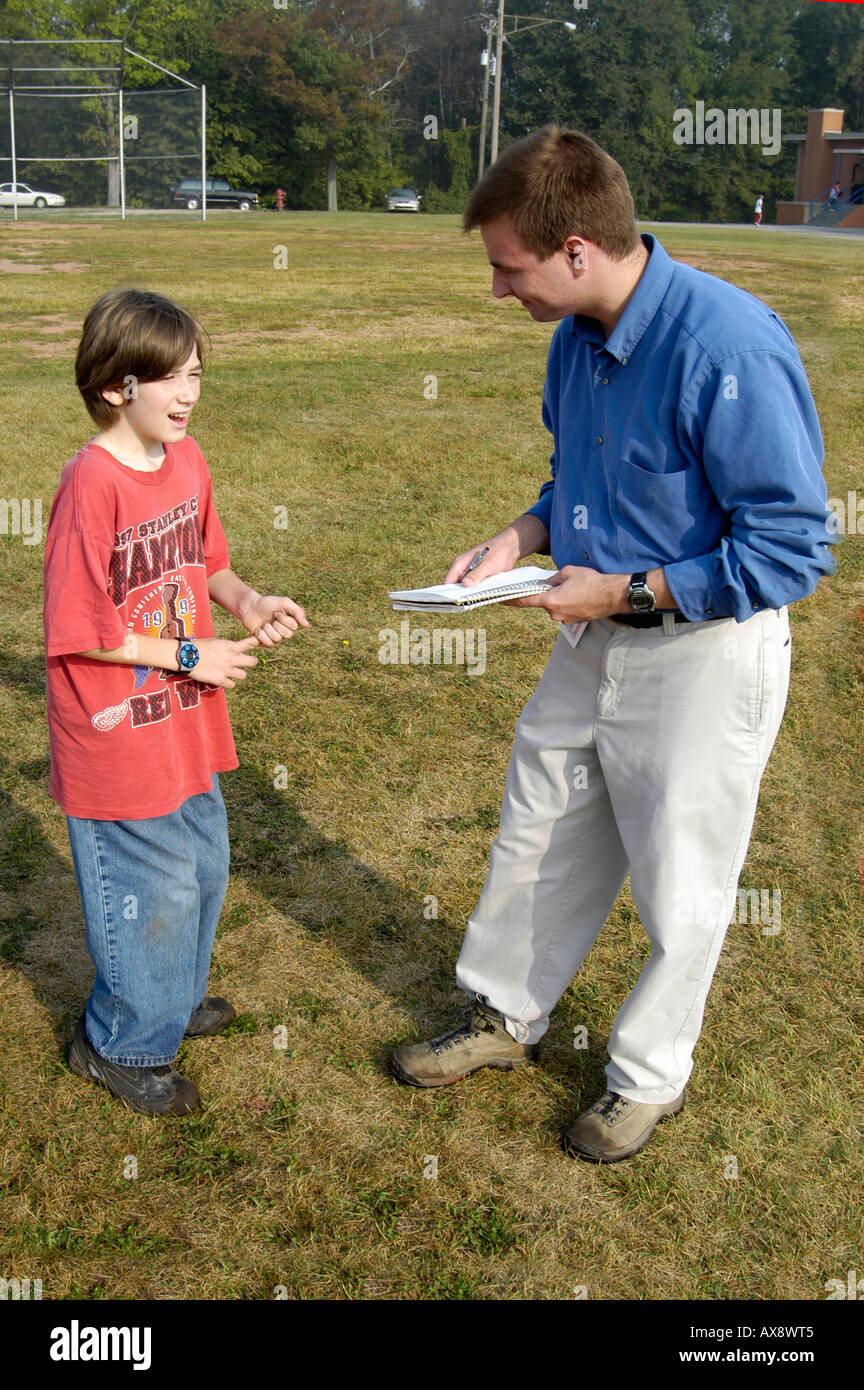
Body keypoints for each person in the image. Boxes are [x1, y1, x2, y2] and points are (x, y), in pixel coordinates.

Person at [389, 128, 835, 1162]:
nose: (500, 289)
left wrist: (629, 590)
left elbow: (792, 546)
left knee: (681, 879)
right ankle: (503, 1016)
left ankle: (643, 1078)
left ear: (578, 249)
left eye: (510, 266)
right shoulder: (576, 341)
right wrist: (525, 533)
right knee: (536, 829)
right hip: (587, 634)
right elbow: (574, 479)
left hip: (702, 654)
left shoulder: (728, 344)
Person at [44, 288, 309, 1116]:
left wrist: (249, 604)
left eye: (196, 374)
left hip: (185, 727)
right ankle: (121, 1042)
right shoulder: (91, 484)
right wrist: (193, 653)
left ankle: (170, 997)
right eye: (170, 379)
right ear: (118, 386)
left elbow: (210, 564)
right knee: (147, 884)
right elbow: (79, 629)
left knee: (200, 869)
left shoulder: (186, 461)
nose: (190, 393)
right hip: (116, 736)